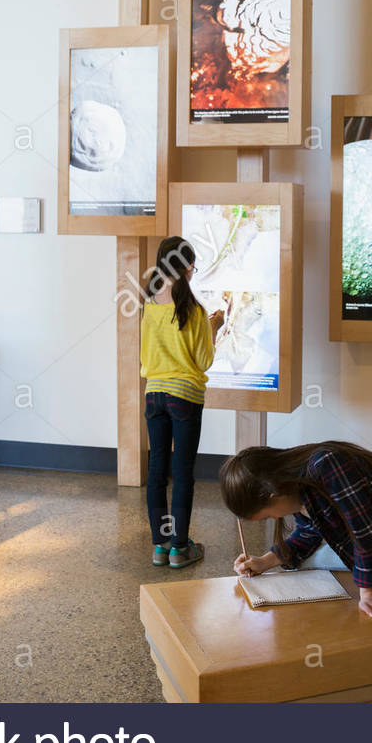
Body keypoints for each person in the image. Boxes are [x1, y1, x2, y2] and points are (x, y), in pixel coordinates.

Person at [220, 442, 372, 620]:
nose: (275, 519)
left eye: (268, 515)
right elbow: (309, 532)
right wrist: (265, 562)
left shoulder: (327, 465)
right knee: (297, 564)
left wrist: (368, 591)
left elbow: (365, 530)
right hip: (365, 530)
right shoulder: (293, 483)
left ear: (274, 494)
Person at [141, 236, 224, 569]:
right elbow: (202, 361)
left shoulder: (149, 304)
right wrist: (214, 327)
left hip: (154, 395)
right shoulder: (194, 310)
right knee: (183, 473)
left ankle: (160, 546)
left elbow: (148, 354)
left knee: (157, 472)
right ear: (189, 268)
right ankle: (180, 548)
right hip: (185, 397)